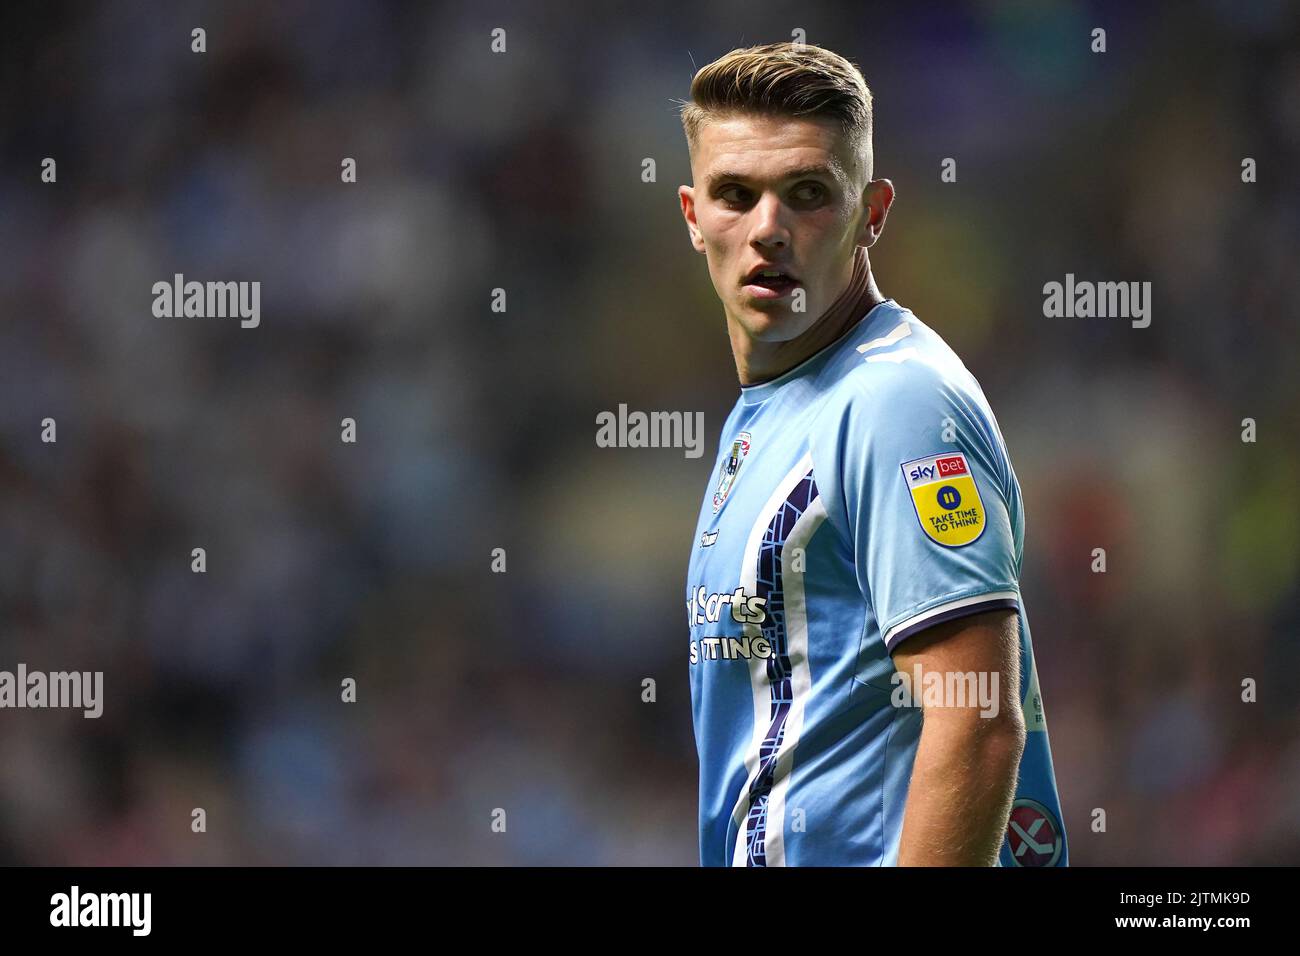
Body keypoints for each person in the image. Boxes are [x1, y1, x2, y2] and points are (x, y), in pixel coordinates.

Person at [677, 41, 1067, 866]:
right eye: (735, 195)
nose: (768, 229)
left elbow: (978, 716)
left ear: (873, 212)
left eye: (809, 194)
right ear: (692, 214)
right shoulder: (774, 407)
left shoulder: (896, 403)